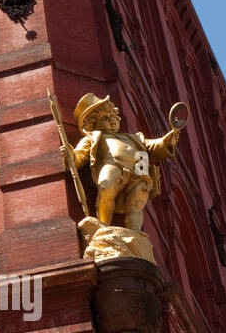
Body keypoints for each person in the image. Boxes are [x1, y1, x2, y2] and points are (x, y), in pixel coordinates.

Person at [61, 94, 180, 233]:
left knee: (136, 203)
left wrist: (166, 141)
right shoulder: (93, 138)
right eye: (105, 118)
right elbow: (80, 155)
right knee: (106, 187)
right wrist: (70, 155)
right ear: (92, 125)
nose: (111, 121)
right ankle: (104, 227)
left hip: (139, 170)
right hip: (113, 165)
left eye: (112, 116)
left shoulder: (134, 138)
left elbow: (153, 146)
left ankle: (135, 234)